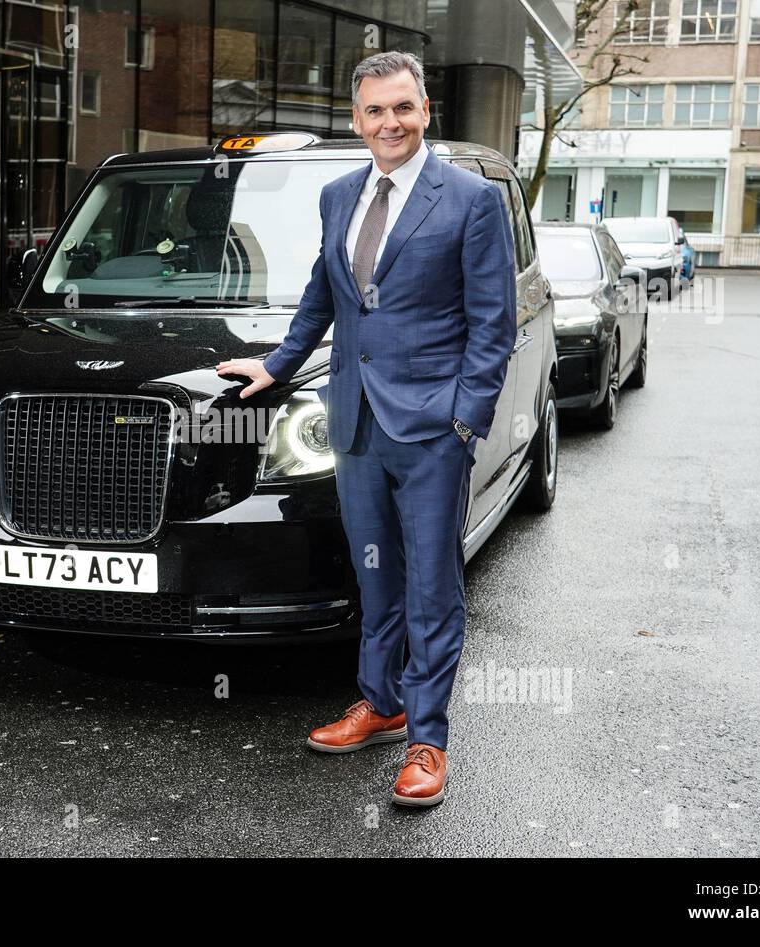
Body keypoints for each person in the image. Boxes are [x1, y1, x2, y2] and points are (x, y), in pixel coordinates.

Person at [215, 51, 516, 807]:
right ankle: (380, 701)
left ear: (424, 112)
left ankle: (428, 737)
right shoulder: (339, 193)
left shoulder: (471, 201)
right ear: (357, 120)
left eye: (403, 108)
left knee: (432, 585)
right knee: (375, 575)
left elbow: (494, 326)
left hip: (430, 430)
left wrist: (464, 421)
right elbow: (325, 290)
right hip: (353, 419)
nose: (391, 123)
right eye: (376, 111)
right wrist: (277, 365)